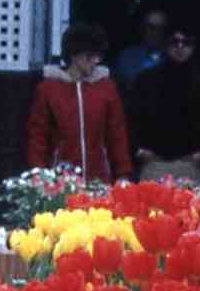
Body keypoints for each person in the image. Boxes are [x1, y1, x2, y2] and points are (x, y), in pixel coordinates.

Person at [26, 22, 132, 183]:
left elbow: (117, 133)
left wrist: (123, 173)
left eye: (98, 56)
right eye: (90, 56)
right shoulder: (48, 89)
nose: (95, 61)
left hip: (100, 178)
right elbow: (38, 135)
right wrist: (37, 173)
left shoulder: (106, 88)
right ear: (74, 55)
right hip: (59, 180)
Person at [130, 28, 200, 182]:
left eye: (186, 42)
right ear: (165, 45)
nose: (180, 47)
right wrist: (138, 151)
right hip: (154, 164)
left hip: (191, 166)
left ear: (193, 46)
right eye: (174, 42)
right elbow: (130, 117)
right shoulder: (146, 81)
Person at [114, 6, 169, 91]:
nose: (155, 32)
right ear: (143, 29)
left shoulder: (173, 57)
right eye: (151, 27)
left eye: (160, 28)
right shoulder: (127, 56)